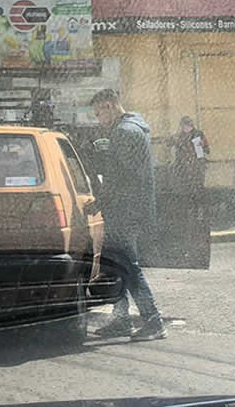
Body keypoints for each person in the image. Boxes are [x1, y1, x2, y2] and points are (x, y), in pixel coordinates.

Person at [85, 89, 167, 341]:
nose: (99, 119)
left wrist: (99, 201)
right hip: (127, 208)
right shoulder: (133, 128)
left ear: (110, 106)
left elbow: (121, 178)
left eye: (99, 113)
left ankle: (153, 321)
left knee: (128, 267)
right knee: (116, 267)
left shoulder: (123, 132)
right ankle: (121, 320)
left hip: (125, 211)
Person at [170, 116, 210, 221]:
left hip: (196, 168)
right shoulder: (180, 136)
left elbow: (206, 150)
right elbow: (170, 144)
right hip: (184, 168)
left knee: (198, 189)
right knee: (187, 190)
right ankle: (190, 212)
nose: (184, 128)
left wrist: (203, 145)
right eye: (183, 126)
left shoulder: (197, 134)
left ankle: (199, 212)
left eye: (186, 126)